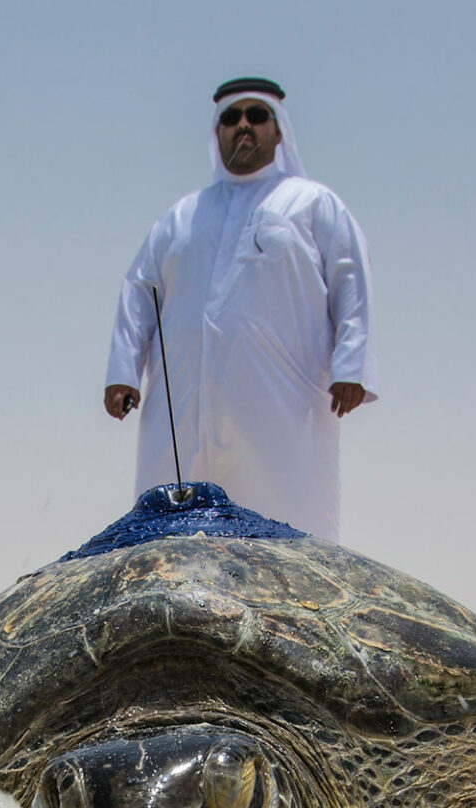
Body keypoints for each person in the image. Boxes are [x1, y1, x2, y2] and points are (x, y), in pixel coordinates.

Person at [104, 77, 378, 542]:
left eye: (256, 115)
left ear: (279, 130)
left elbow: (350, 278)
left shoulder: (311, 204)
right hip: (183, 406)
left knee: (288, 533)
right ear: (217, 133)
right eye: (231, 118)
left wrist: (352, 365)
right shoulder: (182, 217)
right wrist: (123, 372)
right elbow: (139, 290)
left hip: (280, 410)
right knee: (173, 538)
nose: (243, 126)